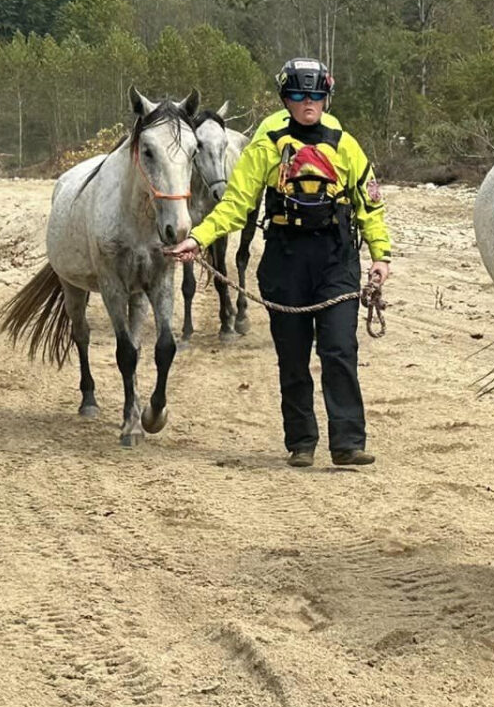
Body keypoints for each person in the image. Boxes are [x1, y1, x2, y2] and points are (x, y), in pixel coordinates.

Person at [166, 59, 391, 468]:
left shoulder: (345, 144)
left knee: (340, 347)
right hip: (286, 257)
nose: (310, 102)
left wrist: (381, 256)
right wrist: (198, 238)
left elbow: (369, 204)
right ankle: (301, 442)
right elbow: (236, 205)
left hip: (336, 258)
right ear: (287, 98)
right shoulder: (267, 145)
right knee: (292, 353)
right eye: (301, 95)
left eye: (317, 95)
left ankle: (347, 442)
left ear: (326, 97)